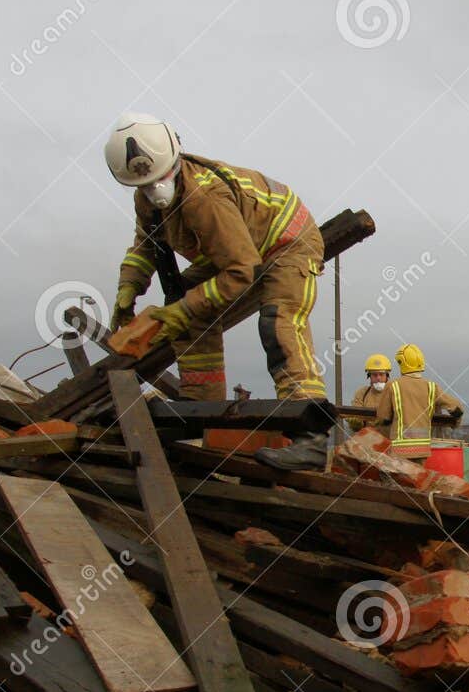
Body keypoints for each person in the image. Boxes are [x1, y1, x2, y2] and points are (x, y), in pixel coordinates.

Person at [104, 111, 329, 469]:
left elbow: (241, 271)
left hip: (286, 240)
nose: (153, 190)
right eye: (143, 184)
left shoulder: (204, 197)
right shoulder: (146, 196)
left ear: (173, 160)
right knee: (184, 303)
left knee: (278, 321)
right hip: (239, 244)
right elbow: (146, 243)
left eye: (157, 179)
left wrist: (184, 310)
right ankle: (197, 410)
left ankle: (313, 438)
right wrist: (127, 289)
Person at [373, 344, 463, 462]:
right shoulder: (432, 386)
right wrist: (454, 423)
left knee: (400, 480)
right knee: (417, 479)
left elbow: (382, 417)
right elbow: (458, 409)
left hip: (400, 449)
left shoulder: (393, 385)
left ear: (402, 363)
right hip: (423, 449)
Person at [348, 354, 392, 431]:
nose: (378, 378)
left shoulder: (395, 392)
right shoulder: (362, 393)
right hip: (369, 439)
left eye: (381, 374)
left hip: (391, 439)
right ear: (369, 376)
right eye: (375, 375)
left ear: (387, 376)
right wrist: (355, 423)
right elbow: (356, 426)